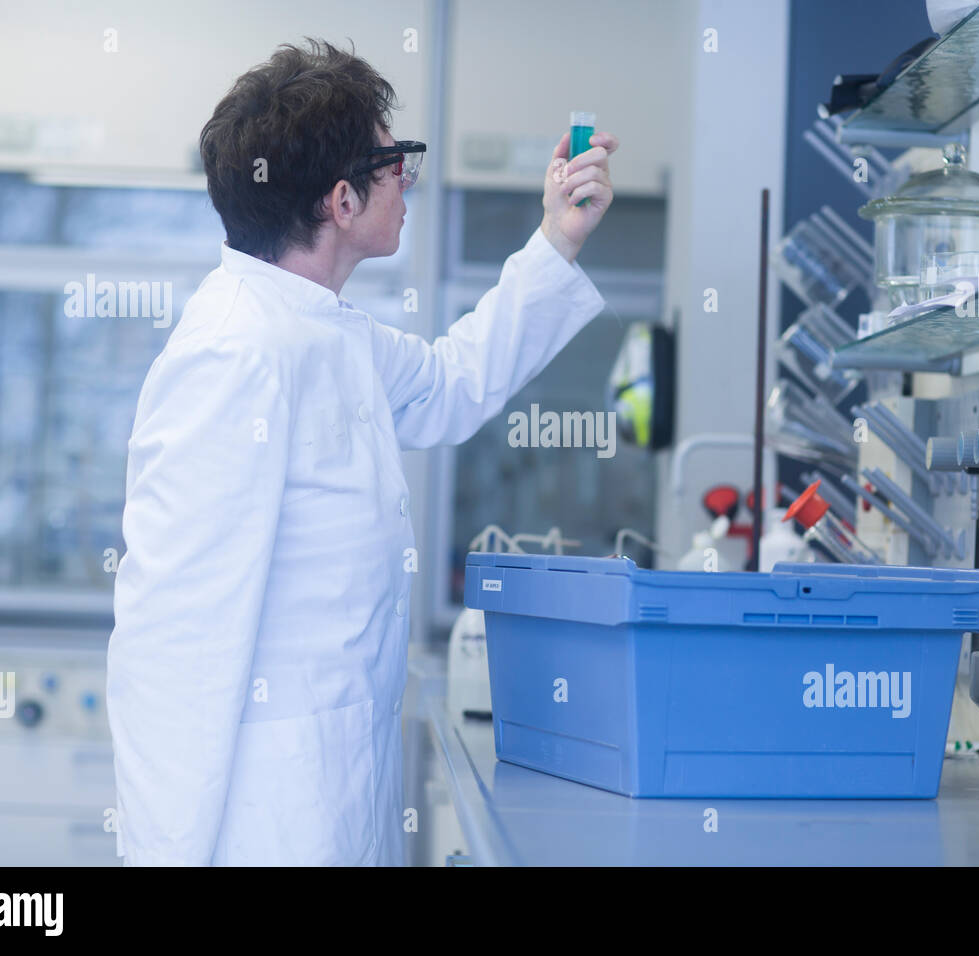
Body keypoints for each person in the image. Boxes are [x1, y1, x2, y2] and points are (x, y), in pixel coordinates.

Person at [105, 39, 616, 866]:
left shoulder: (324, 329)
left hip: (327, 792)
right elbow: (174, 642)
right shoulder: (236, 351)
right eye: (396, 161)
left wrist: (556, 239)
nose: (406, 180)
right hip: (256, 822)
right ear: (342, 200)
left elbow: (454, 383)